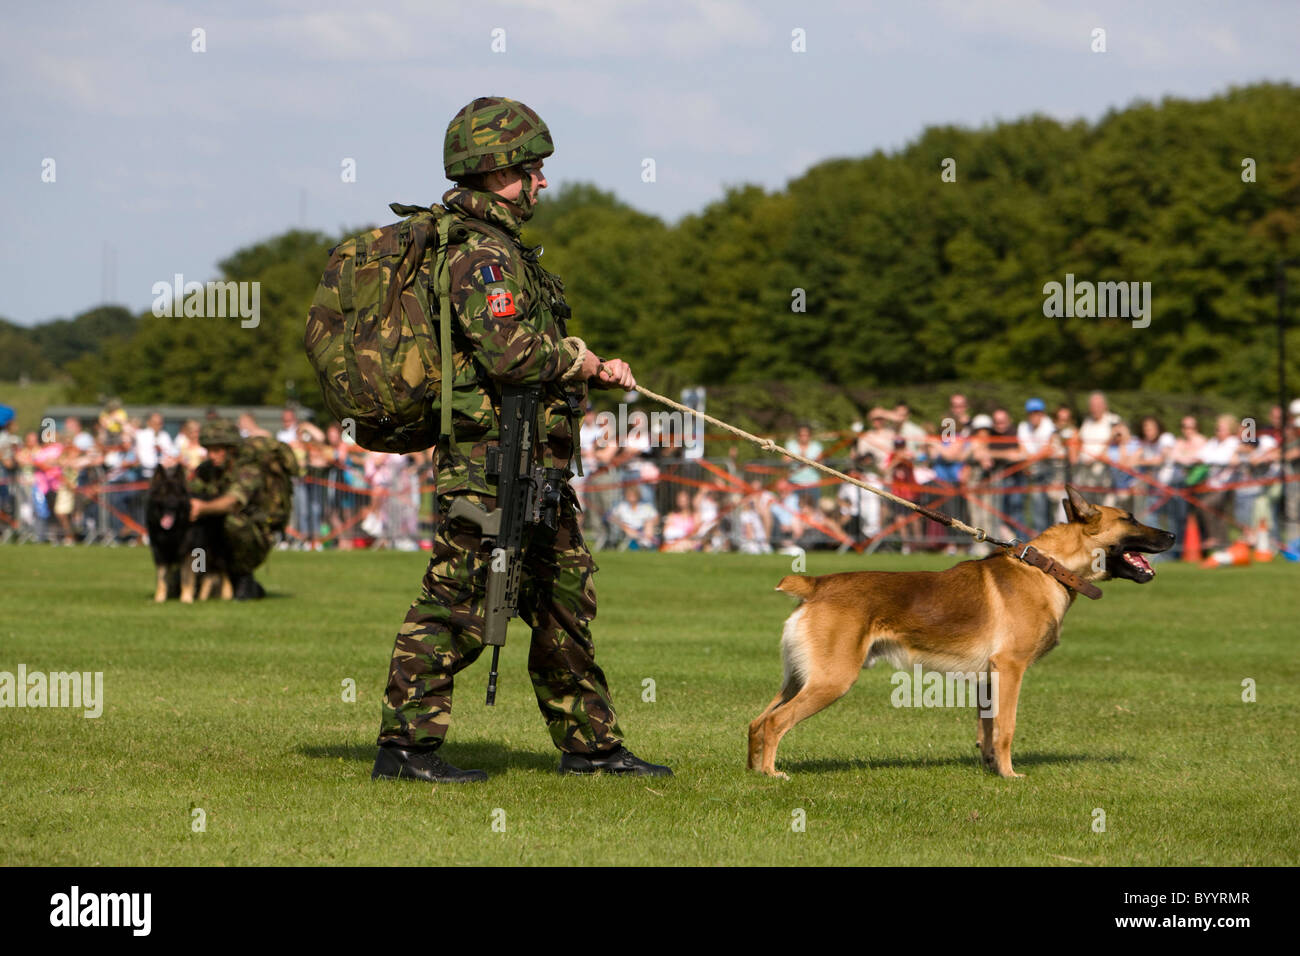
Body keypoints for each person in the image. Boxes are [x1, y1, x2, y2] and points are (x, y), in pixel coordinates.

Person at [372, 96, 670, 784]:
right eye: (533, 169)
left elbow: (522, 351)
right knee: (457, 605)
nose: (542, 182)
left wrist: (577, 357)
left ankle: (591, 749)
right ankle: (406, 750)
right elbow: (509, 355)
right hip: (487, 466)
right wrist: (582, 359)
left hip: (533, 464)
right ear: (498, 171)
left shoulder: (503, 249)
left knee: (565, 601)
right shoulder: (482, 254)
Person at [188, 418, 295, 600]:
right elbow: (190, 494)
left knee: (234, 522)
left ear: (231, 450)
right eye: (208, 451)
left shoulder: (249, 470)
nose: (211, 455)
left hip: (255, 536)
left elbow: (233, 502)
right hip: (215, 539)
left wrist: (202, 508)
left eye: (217, 450)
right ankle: (199, 573)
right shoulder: (207, 470)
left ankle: (243, 578)